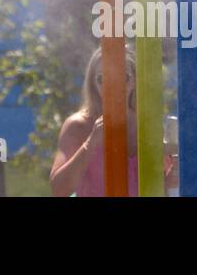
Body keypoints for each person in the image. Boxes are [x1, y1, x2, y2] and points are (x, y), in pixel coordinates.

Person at [50, 45, 176, 196]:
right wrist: (91, 142)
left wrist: (190, 161)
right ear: (93, 84)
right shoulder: (79, 125)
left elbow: (161, 186)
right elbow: (59, 189)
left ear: (134, 81)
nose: (114, 84)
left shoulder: (146, 125)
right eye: (103, 78)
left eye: (123, 76)